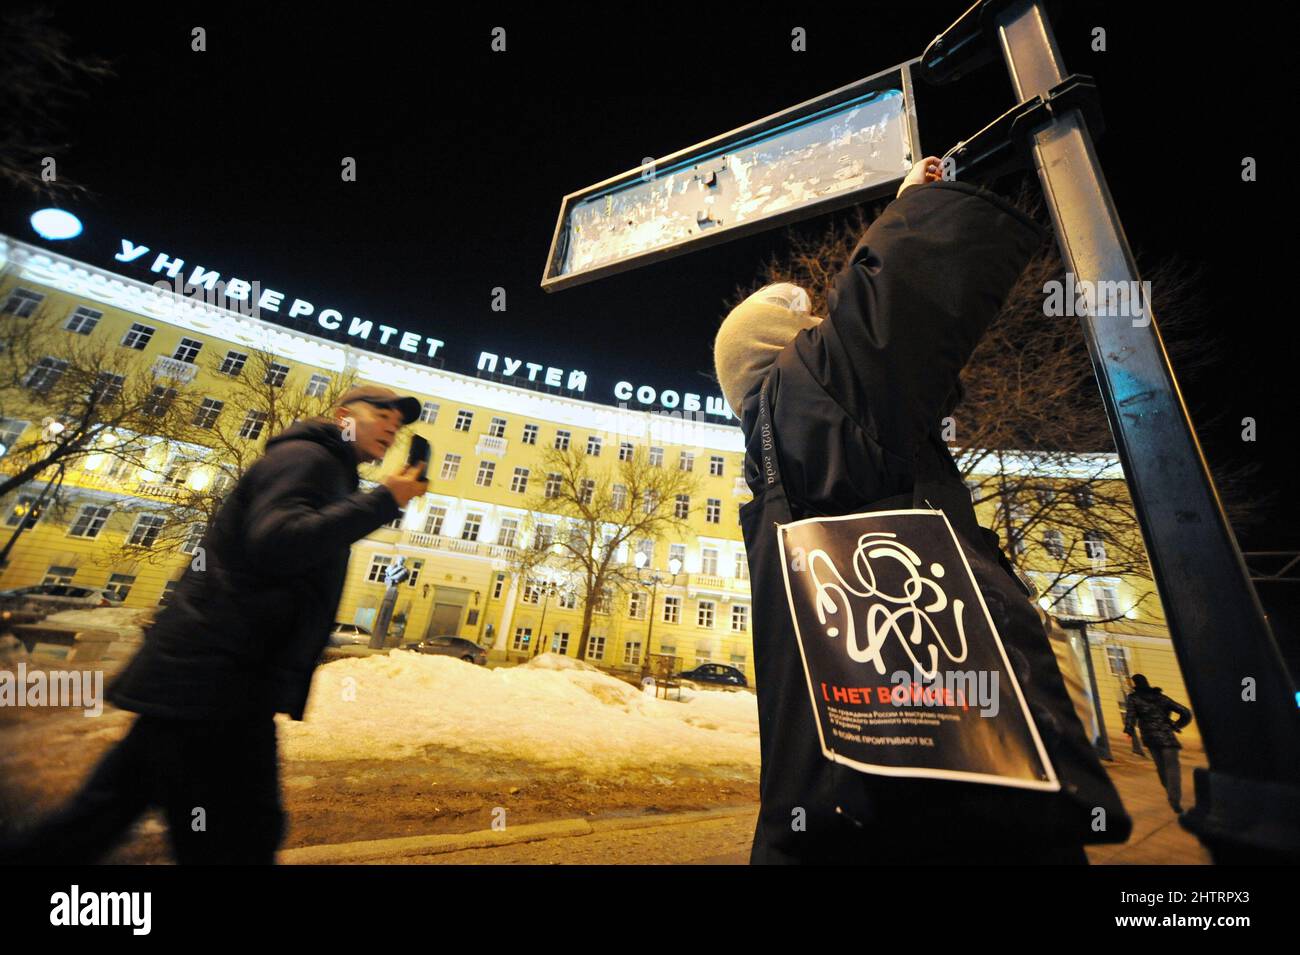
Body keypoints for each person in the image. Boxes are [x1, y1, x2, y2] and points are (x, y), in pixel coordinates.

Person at [714, 157, 1133, 864]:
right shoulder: (807, 395)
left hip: (859, 803)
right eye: (813, 328)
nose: (825, 332)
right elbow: (891, 313)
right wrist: (917, 204)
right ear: (786, 356)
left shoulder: (794, 452)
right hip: (947, 800)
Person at [0, 385, 428, 864]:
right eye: (382, 411)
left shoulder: (327, 469)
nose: (393, 424)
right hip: (216, 680)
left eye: (400, 419)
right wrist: (383, 501)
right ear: (344, 415)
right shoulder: (310, 460)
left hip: (217, 680)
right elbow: (279, 544)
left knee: (129, 816)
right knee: (237, 830)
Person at [1123, 673, 1193, 812]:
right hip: (1168, 738)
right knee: (1173, 769)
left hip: (1151, 739)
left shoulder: (1133, 698)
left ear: (1135, 684)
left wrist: (1128, 731)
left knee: (1162, 768)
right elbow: (1186, 712)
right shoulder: (1162, 698)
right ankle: (1175, 800)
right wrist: (1176, 725)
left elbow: (1130, 715)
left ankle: (1170, 791)